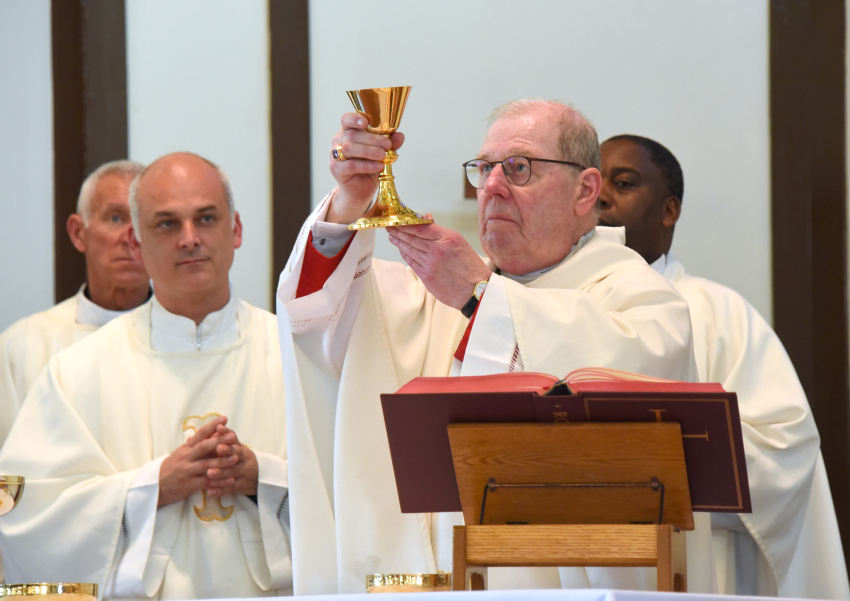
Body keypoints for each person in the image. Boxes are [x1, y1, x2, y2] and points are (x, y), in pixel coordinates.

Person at [275, 100, 707, 594]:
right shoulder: (433, 291)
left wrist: (479, 297)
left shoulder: (639, 301)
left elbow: (622, 409)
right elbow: (315, 316)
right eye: (485, 169)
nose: (493, 187)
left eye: (519, 168)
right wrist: (351, 203)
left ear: (585, 190)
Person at [0, 153, 291, 598]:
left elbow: (360, 496)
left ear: (235, 230)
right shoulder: (77, 371)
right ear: (137, 244)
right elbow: (27, 519)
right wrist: (153, 487)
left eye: (206, 218)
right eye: (167, 224)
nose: (190, 239)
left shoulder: (297, 357)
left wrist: (263, 479)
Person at [595, 133, 850, 599]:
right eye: (592, 185)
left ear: (669, 210)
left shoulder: (718, 313)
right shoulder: (564, 309)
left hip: (695, 559)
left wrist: (651, 470)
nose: (602, 197)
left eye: (624, 183)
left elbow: (785, 447)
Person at [0, 160, 151, 445]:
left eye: (144, 220)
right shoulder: (21, 346)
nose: (132, 238)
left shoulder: (183, 337)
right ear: (78, 233)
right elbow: (8, 464)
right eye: (116, 218)